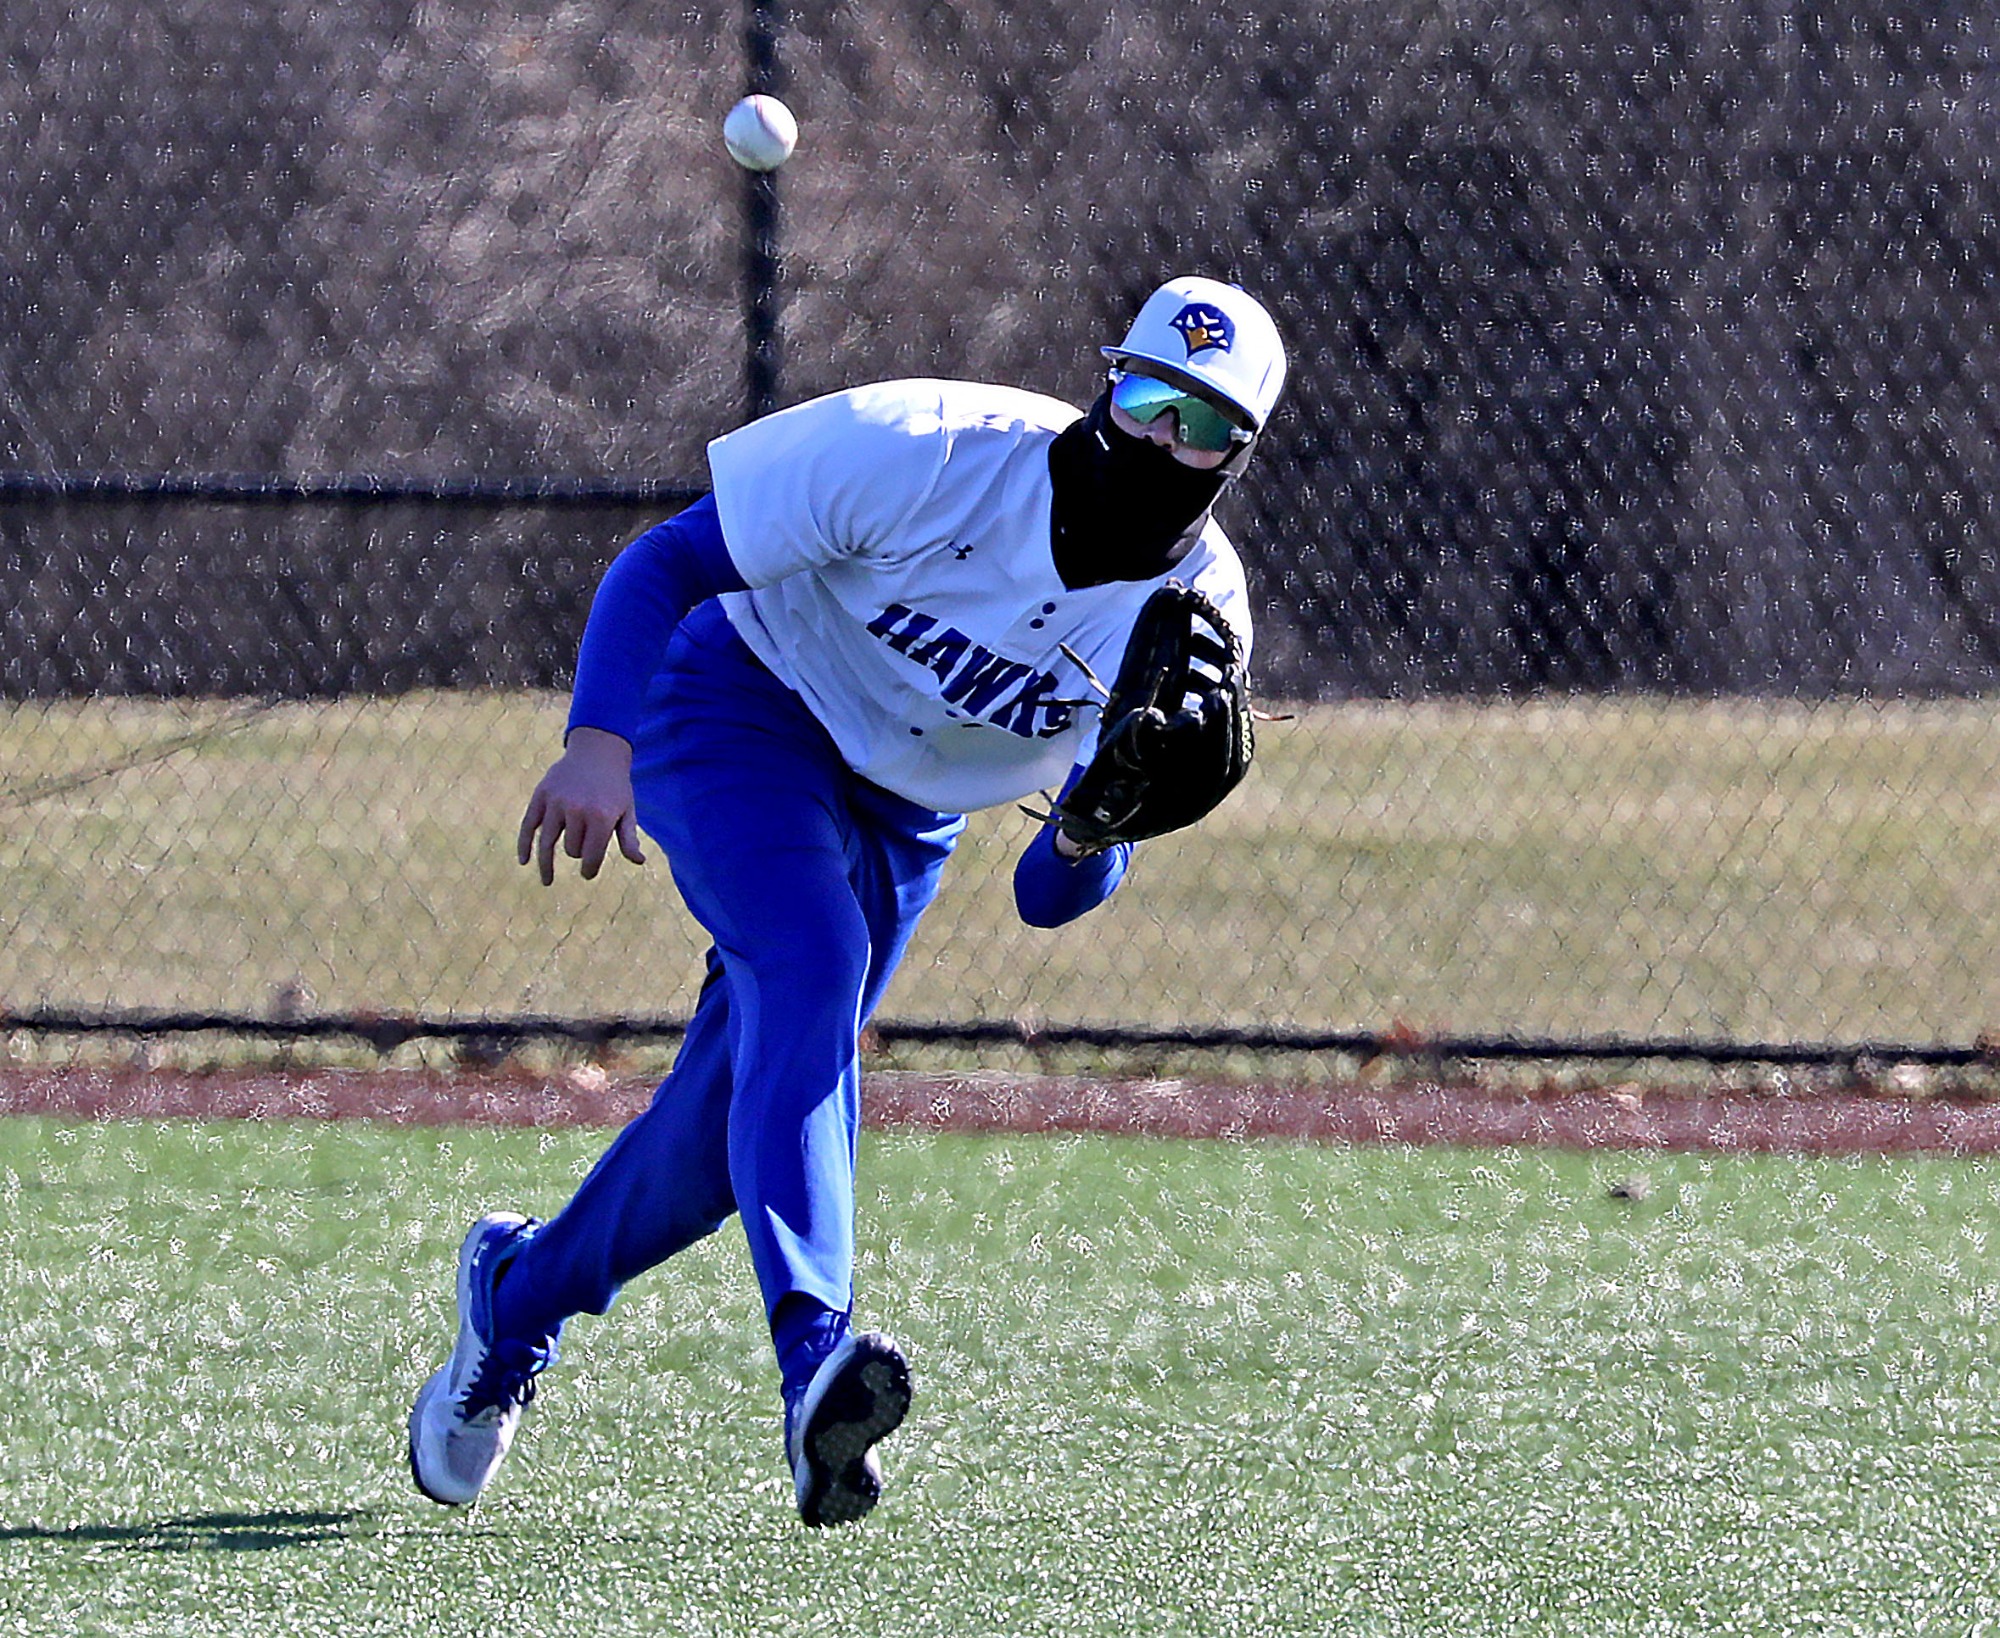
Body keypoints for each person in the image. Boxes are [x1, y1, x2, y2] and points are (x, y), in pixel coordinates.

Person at [406, 274, 1288, 1526]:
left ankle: (516, 1297)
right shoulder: (927, 452)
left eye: (1200, 426)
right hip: (741, 702)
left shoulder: (1195, 614)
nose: (1160, 440)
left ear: (1234, 458)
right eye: (1145, 398)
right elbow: (665, 562)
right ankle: (816, 1354)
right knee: (812, 968)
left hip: (906, 813)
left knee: (727, 1142)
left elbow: (1047, 897)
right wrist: (596, 744)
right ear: (1106, 383)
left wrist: (1097, 822)